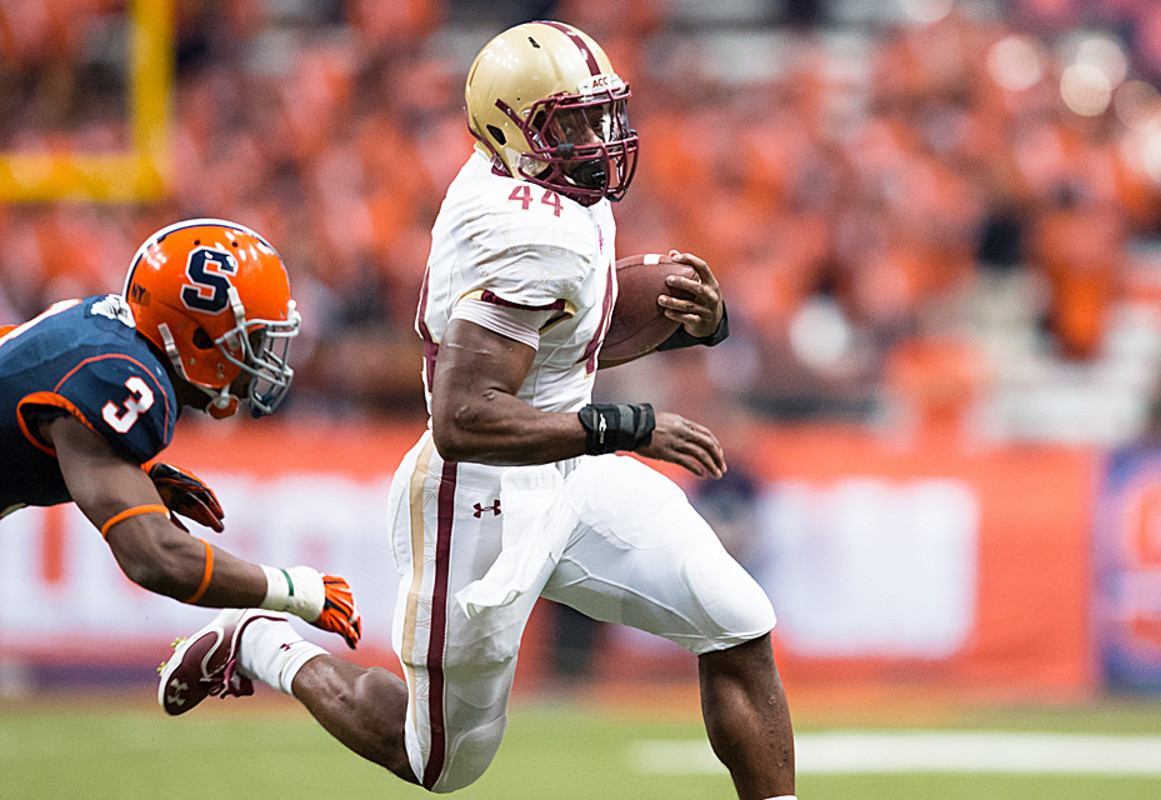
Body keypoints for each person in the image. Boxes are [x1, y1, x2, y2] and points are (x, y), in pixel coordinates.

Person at [159, 22, 796, 799]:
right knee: (437, 762)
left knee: (737, 622)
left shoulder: (556, 195)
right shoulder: (525, 228)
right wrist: (630, 428)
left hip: (568, 468)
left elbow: (570, 335)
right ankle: (261, 644)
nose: (597, 140)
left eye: (600, 117)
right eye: (570, 123)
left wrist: (693, 322)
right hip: (482, 493)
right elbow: (463, 419)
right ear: (510, 127)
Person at [0, 218, 362, 674]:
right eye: (253, 339)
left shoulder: (106, 333)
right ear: (201, 335)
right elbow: (155, 557)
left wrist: (138, 475)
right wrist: (296, 590)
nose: (264, 359)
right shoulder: (118, 376)